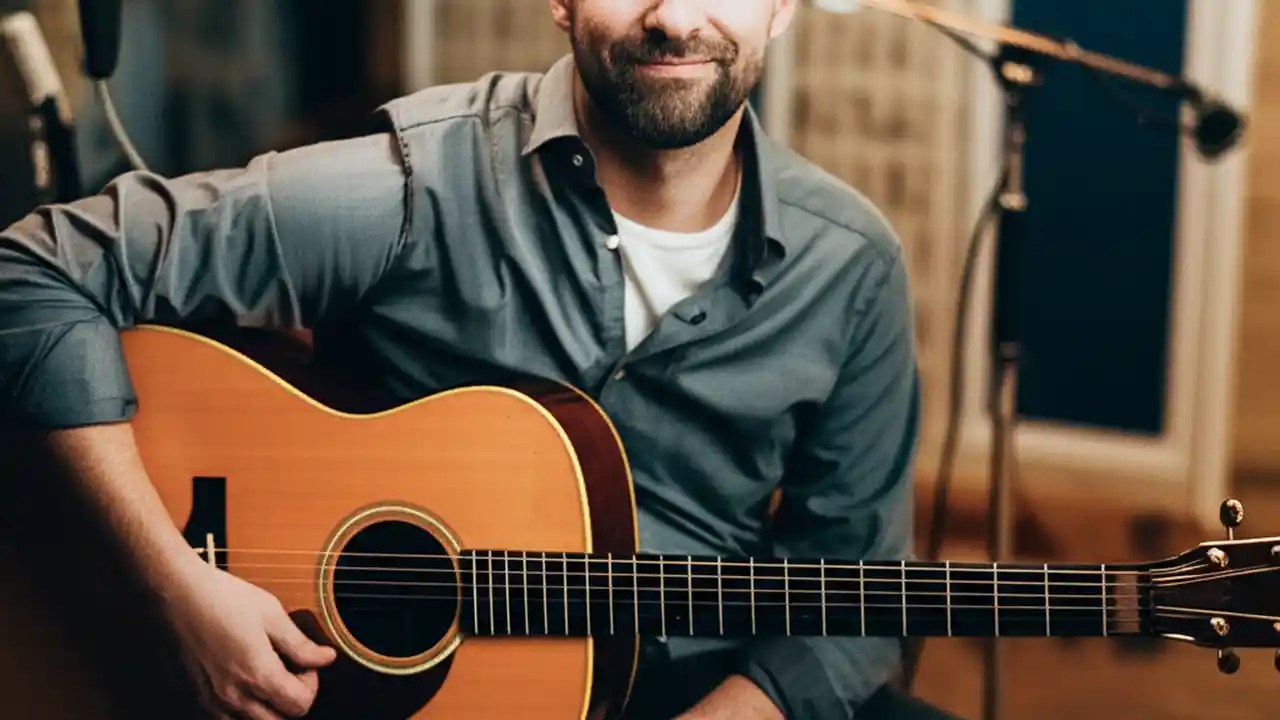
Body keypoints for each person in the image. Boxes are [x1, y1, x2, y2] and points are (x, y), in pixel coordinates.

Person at [0, 1, 947, 718]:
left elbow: (855, 594)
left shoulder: (850, 266)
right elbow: (34, 267)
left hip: (704, 689)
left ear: (782, 7)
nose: (672, 16)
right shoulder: (414, 188)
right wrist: (171, 584)